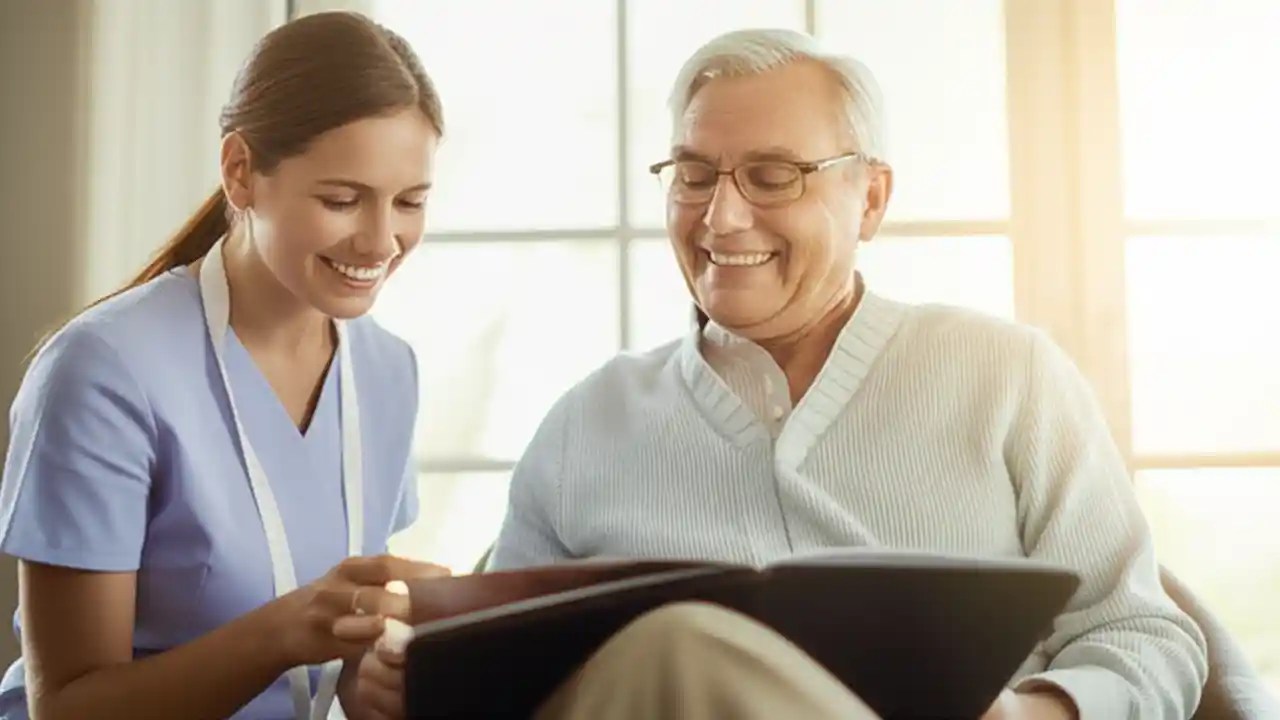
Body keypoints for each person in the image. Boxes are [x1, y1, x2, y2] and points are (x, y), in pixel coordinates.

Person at [477, 28, 1208, 719]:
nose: (722, 217)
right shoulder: (585, 423)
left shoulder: (1008, 377)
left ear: (872, 199)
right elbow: (485, 668)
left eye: (771, 177)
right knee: (671, 650)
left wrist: (1036, 712)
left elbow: (1144, 634)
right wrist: (391, 674)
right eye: (695, 175)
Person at [0, 11, 451, 720]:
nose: (380, 240)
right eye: (341, 199)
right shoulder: (103, 371)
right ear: (241, 172)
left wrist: (394, 675)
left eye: (410, 202)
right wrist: (281, 634)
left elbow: (347, 681)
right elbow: (67, 708)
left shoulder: (389, 374)